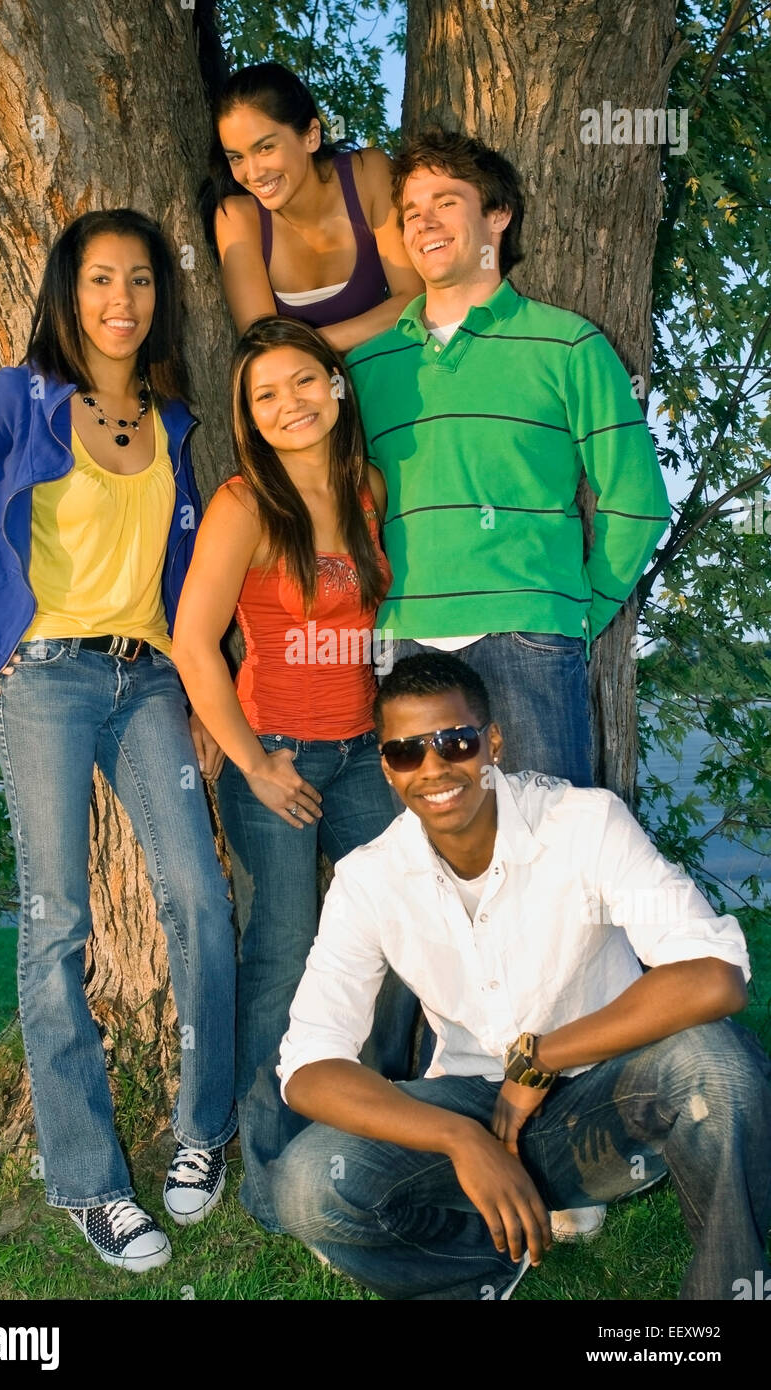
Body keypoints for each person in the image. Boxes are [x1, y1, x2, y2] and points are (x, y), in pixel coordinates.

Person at [0, 209, 237, 1272]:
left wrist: (203, 693)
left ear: (159, 296)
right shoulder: (21, 400)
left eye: (140, 282)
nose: (121, 301)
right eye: (100, 280)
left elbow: (188, 582)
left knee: (197, 892)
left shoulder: (175, 420)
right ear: (69, 291)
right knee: (55, 926)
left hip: (148, 683)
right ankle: (89, 1182)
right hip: (42, 678)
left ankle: (203, 1128)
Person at [271, 652, 771, 1301]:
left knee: (717, 1064)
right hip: (473, 1114)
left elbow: (714, 976)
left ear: (492, 744)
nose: (433, 768)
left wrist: (538, 1059)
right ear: (388, 771)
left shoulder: (583, 823)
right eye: (405, 752)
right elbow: (308, 1067)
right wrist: (457, 1138)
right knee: (305, 1186)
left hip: (611, 1105)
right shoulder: (368, 879)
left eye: (453, 741)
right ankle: (486, 1258)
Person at [170, 314, 418, 1232]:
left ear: (336, 385)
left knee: (400, 933)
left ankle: (380, 1129)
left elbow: (381, 632)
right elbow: (195, 644)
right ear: (249, 418)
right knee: (281, 952)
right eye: (265, 396)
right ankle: (271, 1165)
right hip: (273, 752)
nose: (289, 405)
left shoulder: (370, 489)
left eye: (302, 382)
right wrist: (254, 763)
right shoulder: (242, 503)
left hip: (361, 752)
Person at [345, 129, 672, 788]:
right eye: (410, 213)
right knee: (428, 879)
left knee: (550, 861)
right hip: (401, 640)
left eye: (445, 202)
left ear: (497, 214)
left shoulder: (568, 346)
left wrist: (576, 614)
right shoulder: (365, 367)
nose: (424, 224)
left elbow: (635, 502)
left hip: (529, 637)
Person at [207, 61, 423, 352]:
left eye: (266, 148)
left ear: (310, 136)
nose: (253, 173)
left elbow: (414, 300)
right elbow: (264, 347)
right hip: (301, 395)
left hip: (385, 373)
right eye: (236, 158)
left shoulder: (368, 174)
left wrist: (309, 344)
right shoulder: (237, 218)